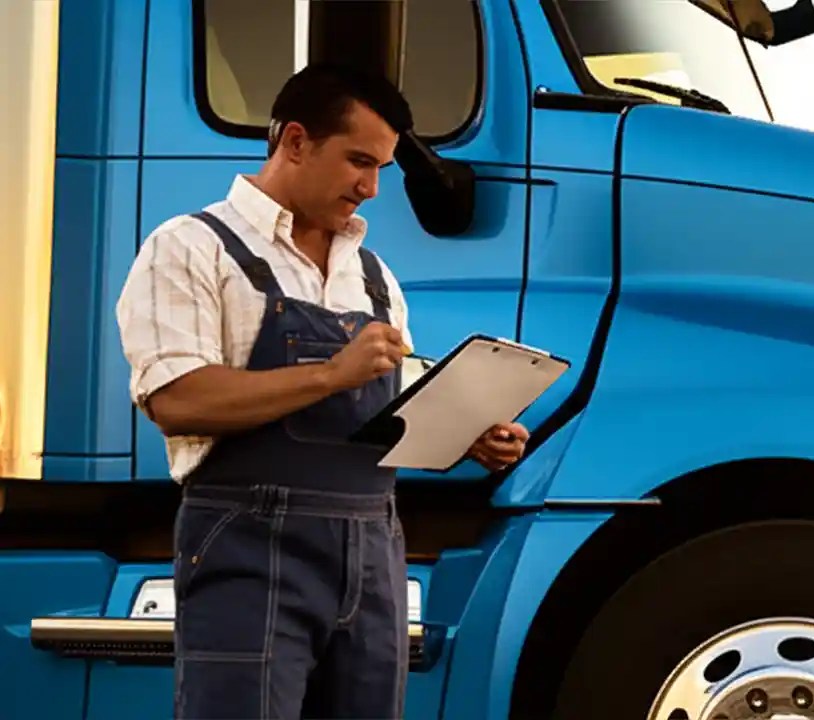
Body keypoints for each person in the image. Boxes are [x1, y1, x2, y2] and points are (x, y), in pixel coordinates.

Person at [115, 63, 529, 719]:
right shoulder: (191, 248)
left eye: (381, 169)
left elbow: (383, 403)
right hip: (249, 540)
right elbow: (177, 400)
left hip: (373, 547)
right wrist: (331, 373)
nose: (371, 188)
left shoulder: (373, 276)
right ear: (296, 141)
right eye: (358, 161)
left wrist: (468, 430)